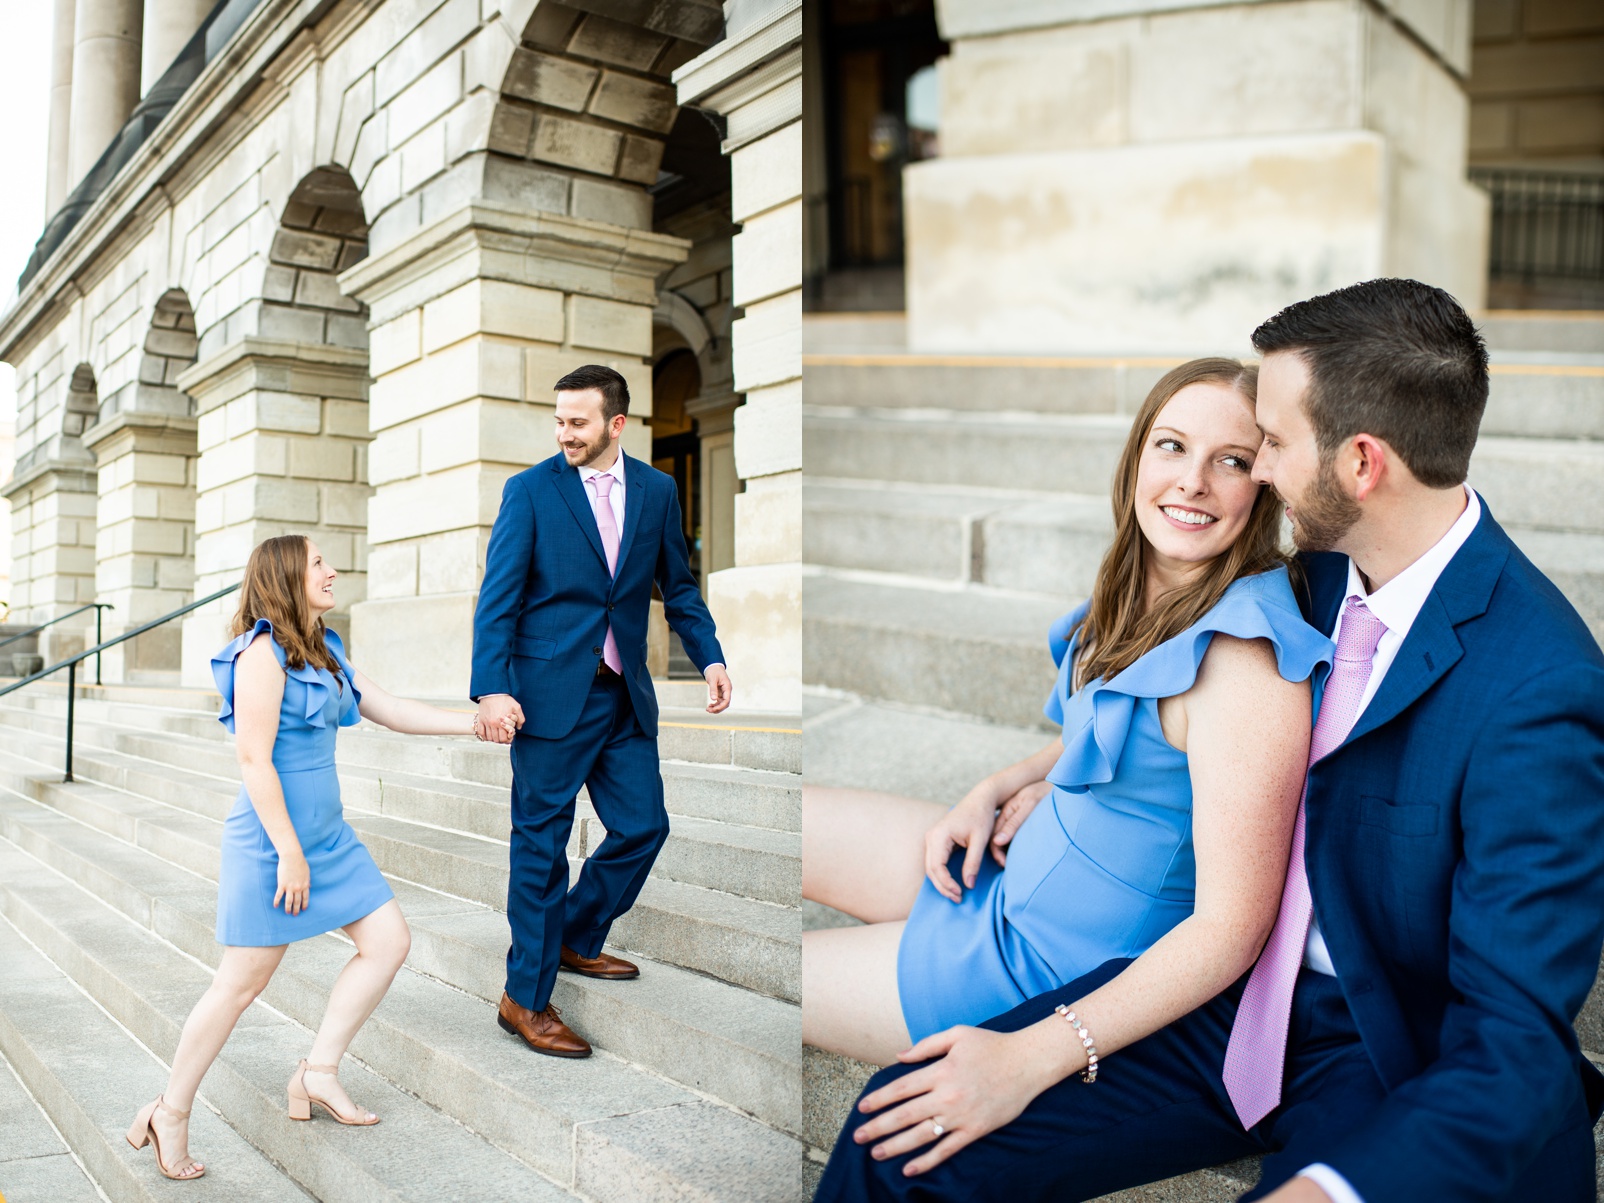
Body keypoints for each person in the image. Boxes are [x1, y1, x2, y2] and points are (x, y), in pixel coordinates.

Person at [817, 278, 1604, 1203]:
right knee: (902, 1133)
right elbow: (1160, 705)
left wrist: (1332, 1193)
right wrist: (1038, 769)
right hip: (1227, 1007)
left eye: (1268, 442)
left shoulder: (1538, 687)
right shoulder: (1318, 572)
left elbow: (1514, 1037)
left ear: (1361, 462)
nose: (1252, 473)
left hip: (1374, 1039)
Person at [804, 357, 1331, 1069]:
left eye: (1230, 460)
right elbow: (1111, 727)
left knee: (784, 967)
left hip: (1036, 975)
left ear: (1262, 483)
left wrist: (1047, 1049)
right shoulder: (1144, 581)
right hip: (1006, 875)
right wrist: (998, 785)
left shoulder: (1243, 664)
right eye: (1171, 445)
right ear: (1137, 453)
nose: (1192, 481)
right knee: (792, 818)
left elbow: (1230, 928)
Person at [126, 534, 505, 1181]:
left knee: (387, 940)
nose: (333, 570)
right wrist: (288, 854)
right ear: (286, 577)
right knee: (240, 984)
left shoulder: (325, 649)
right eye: (319, 563)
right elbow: (253, 760)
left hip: (329, 840)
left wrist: (472, 722)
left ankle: (317, 1072)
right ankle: (170, 1109)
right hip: (272, 845)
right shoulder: (260, 656)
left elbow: (388, 709)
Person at [471, 364, 731, 1058]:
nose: (565, 434)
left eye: (578, 422)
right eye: (559, 421)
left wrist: (709, 654)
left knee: (645, 826)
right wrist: (491, 687)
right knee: (540, 847)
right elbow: (498, 597)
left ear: (616, 423)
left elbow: (676, 584)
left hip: (623, 693)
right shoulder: (529, 491)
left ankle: (576, 938)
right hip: (549, 697)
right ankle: (522, 997)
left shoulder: (657, 489)